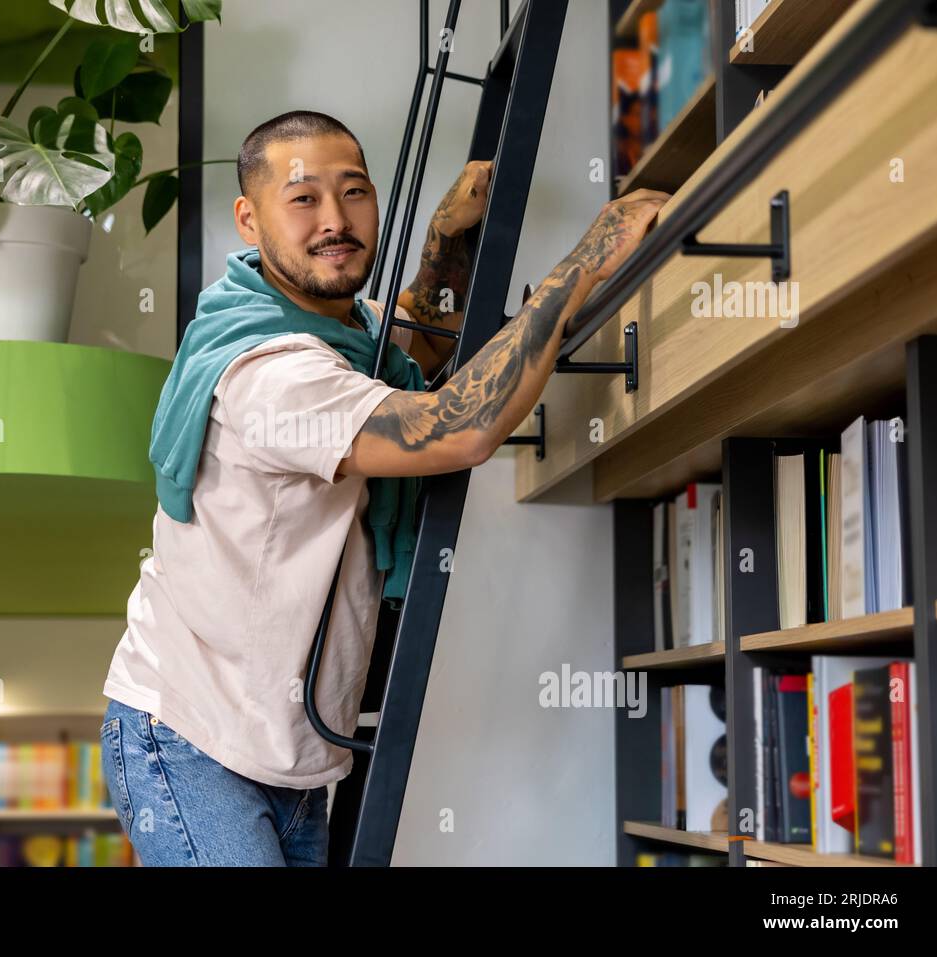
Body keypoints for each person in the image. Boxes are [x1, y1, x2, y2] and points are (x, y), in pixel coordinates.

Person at [100, 110, 669, 866]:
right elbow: (459, 426)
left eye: (355, 192)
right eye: (303, 199)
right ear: (249, 218)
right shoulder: (274, 375)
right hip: (193, 736)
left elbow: (420, 335)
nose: (335, 220)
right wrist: (586, 261)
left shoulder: (331, 326)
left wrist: (441, 237)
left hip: (287, 746)